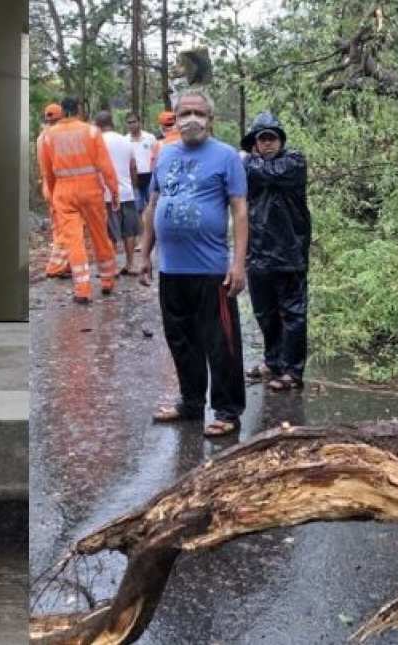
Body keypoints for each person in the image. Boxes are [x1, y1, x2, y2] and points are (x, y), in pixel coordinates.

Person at [138, 90, 249, 438]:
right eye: (185, 112)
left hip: (211, 270)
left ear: (210, 119)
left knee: (220, 343)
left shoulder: (227, 156)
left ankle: (227, 411)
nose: (192, 119)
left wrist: (238, 264)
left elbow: (240, 210)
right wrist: (144, 254)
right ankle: (190, 404)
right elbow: (153, 206)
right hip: (172, 270)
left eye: (199, 113)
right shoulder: (165, 155)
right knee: (181, 341)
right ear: (175, 116)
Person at [239, 111, 311, 391]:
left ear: (281, 141)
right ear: (255, 143)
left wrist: (247, 158)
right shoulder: (249, 166)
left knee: (293, 313)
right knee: (264, 312)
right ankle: (273, 362)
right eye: (262, 139)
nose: (268, 144)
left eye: (272, 138)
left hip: (289, 253)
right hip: (257, 253)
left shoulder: (293, 162)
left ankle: (293, 371)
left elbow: (267, 173)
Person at [38, 97, 121, 304]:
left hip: (64, 192)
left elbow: (48, 172)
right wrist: (115, 191)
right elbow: (106, 166)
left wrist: (52, 191)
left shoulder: (49, 136)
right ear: (78, 109)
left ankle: (82, 289)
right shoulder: (91, 131)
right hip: (91, 190)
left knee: (73, 240)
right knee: (100, 235)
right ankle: (107, 280)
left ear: (62, 111)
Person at [94, 110, 140, 275]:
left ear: (97, 125)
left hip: (106, 194)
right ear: (112, 123)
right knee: (129, 230)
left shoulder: (96, 142)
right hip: (126, 193)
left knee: (108, 232)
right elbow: (133, 167)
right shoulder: (126, 141)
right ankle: (130, 264)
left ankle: (110, 266)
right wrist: (132, 187)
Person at [38, 103, 70, 279]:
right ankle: (55, 266)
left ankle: (65, 265)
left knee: (58, 228)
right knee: (66, 229)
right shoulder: (55, 137)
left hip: (48, 186)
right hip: (58, 186)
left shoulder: (42, 136)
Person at [125, 113, 157, 213]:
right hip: (133, 177)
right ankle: (141, 228)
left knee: (152, 206)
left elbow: (157, 156)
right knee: (137, 208)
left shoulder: (150, 137)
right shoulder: (125, 140)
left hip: (149, 176)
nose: (132, 125)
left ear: (139, 122)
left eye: (134, 122)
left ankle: (152, 228)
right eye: (129, 123)